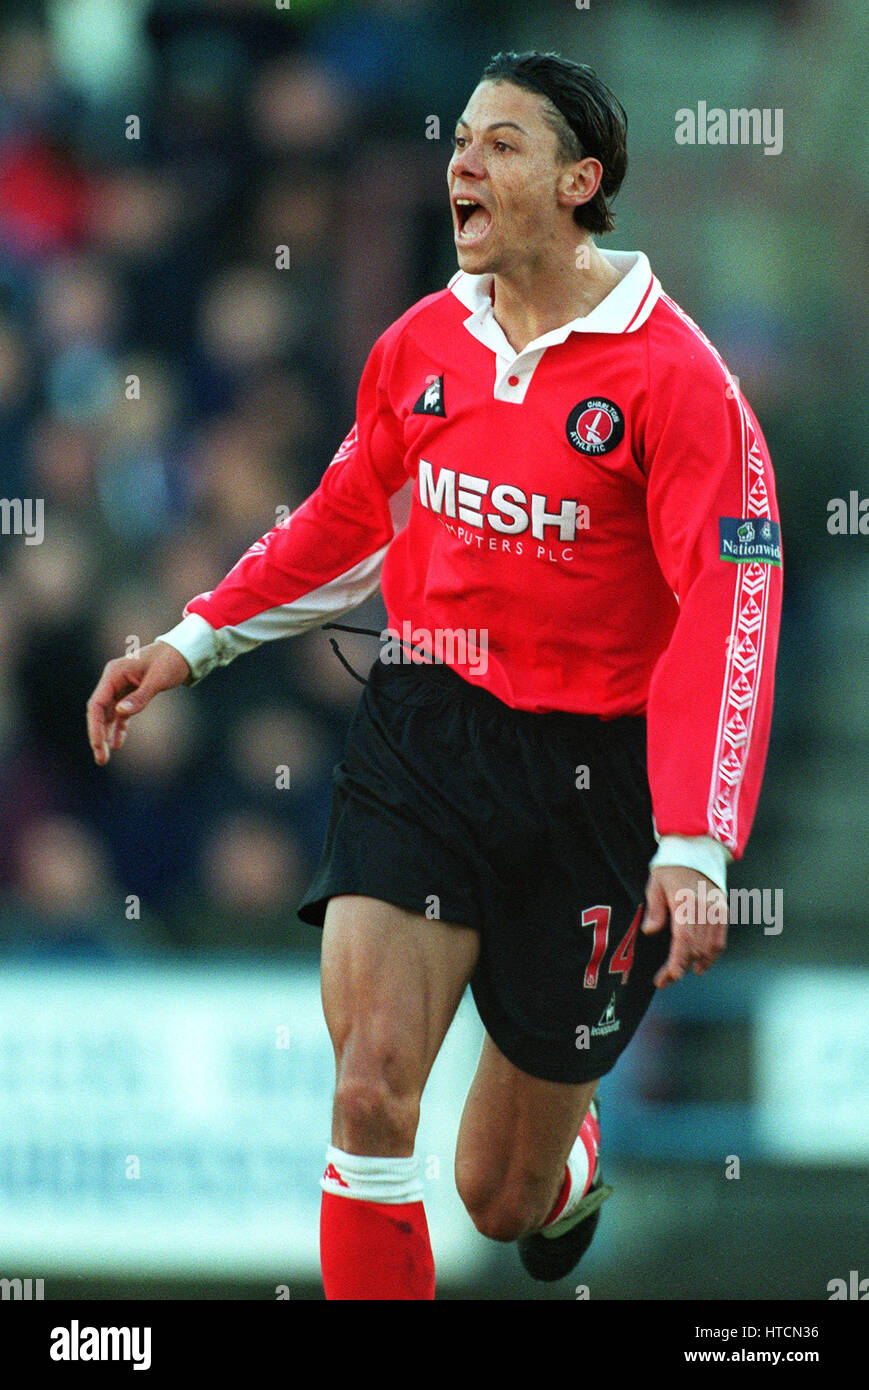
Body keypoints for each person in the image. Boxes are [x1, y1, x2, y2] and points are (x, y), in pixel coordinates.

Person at [86, 50, 783, 1300]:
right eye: (458, 138)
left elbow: (730, 611)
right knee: (367, 1090)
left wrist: (694, 840)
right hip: (427, 727)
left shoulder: (679, 386)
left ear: (579, 183)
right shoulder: (421, 343)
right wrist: (190, 639)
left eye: (500, 144)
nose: (460, 162)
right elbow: (349, 518)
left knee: (497, 1198)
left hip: (595, 781)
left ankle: (563, 1160)